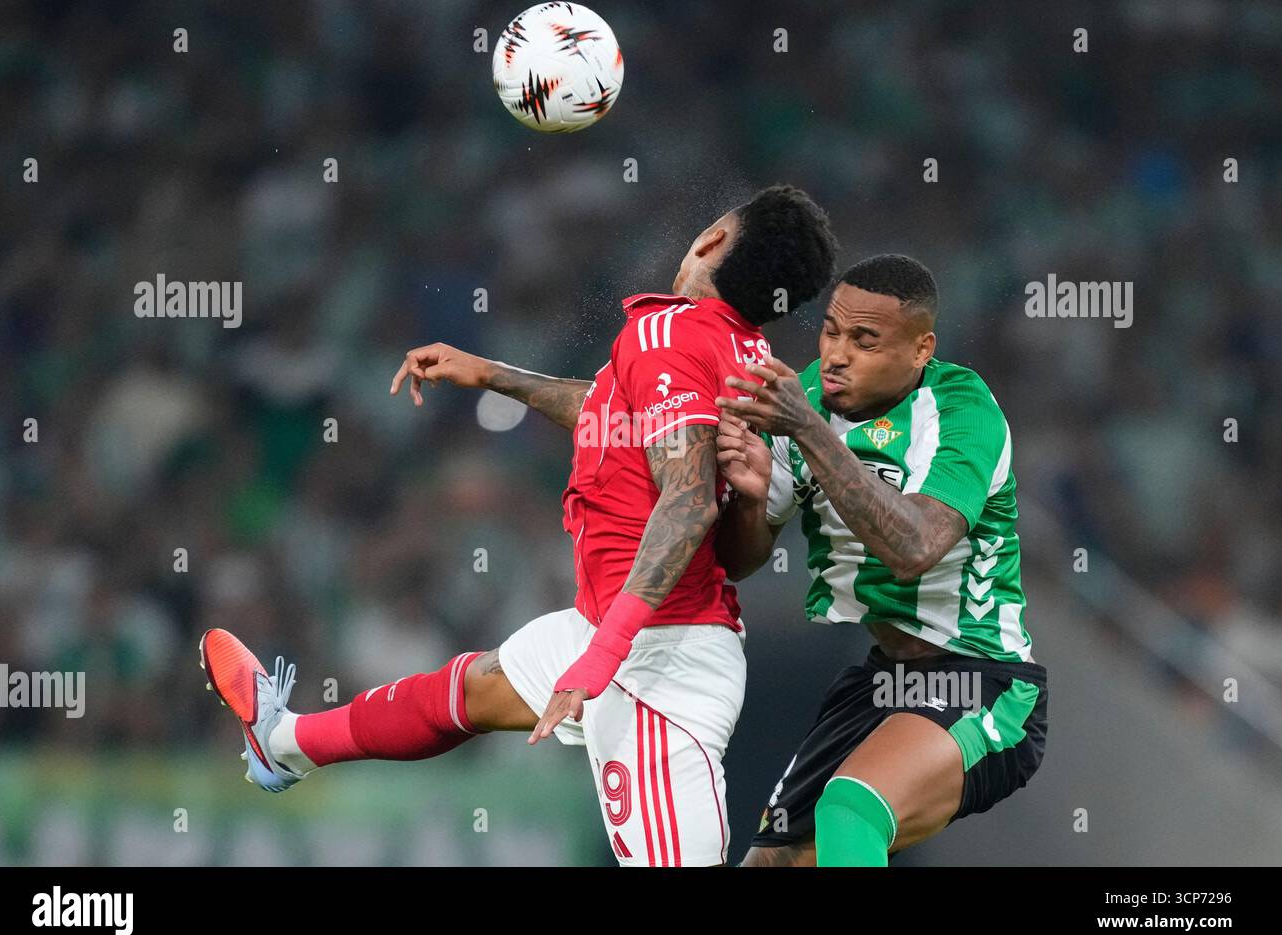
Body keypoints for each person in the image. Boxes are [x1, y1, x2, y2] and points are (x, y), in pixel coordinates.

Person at [200, 184, 837, 866]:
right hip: (623, 630)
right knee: (472, 690)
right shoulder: (744, 360)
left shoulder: (670, 334)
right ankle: (285, 741)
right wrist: (494, 375)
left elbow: (687, 501)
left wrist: (602, 658)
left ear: (711, 241)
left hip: (650, 660)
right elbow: (611, 415)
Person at [712, 254, 1048, 866]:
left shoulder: (962, 410)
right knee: (770, 862)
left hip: (981, 678)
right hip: (879, 682)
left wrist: (810, 432)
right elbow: (741, 562)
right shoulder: (807, 397)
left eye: (864, 341)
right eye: (831, 331)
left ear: (922, 350)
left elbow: (914, 549)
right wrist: (750, 500)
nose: (837, 354)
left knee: (852, 807)